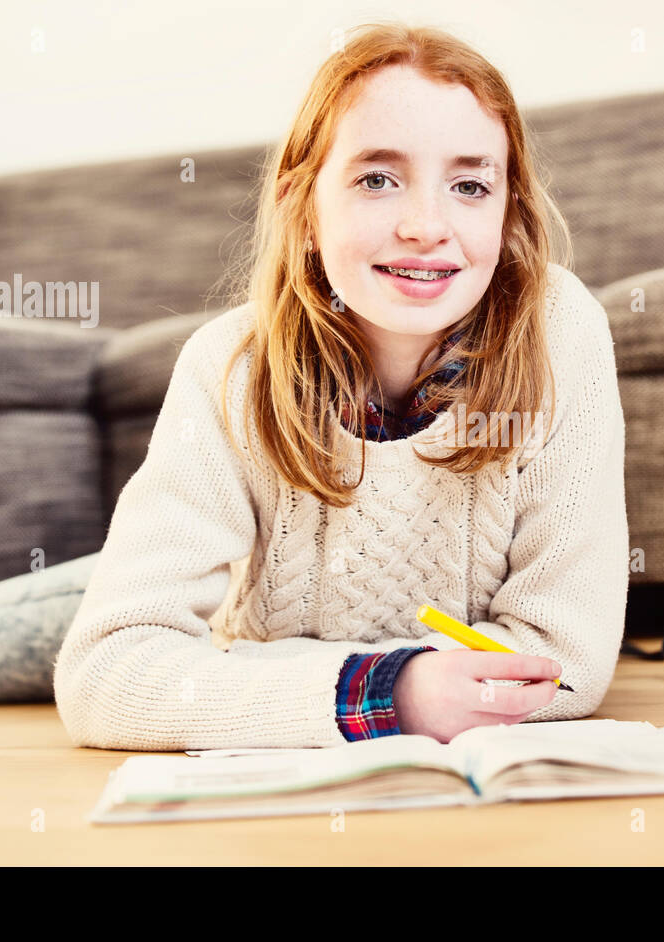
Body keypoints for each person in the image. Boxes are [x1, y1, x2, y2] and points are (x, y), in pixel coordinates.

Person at [51, 20, 629, 751]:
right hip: (224, 605)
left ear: (508, 211)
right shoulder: (226, 365)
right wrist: (398, 694)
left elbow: (563, 665)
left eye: (471, 185)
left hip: (239, 644)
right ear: (304, 208)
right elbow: (105, 672)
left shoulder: (562, 331)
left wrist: (257, 673)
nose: (426, 225)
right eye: (377, 179)